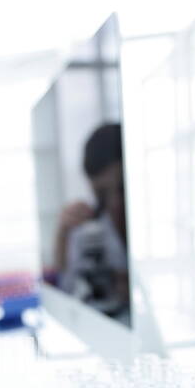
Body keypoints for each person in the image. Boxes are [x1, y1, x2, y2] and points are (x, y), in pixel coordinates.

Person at [51, 123, 130, 321]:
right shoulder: (85, 226)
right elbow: (68, 291)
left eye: (122, 189)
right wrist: (62, 235)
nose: (114, 203)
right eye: (102, 193)